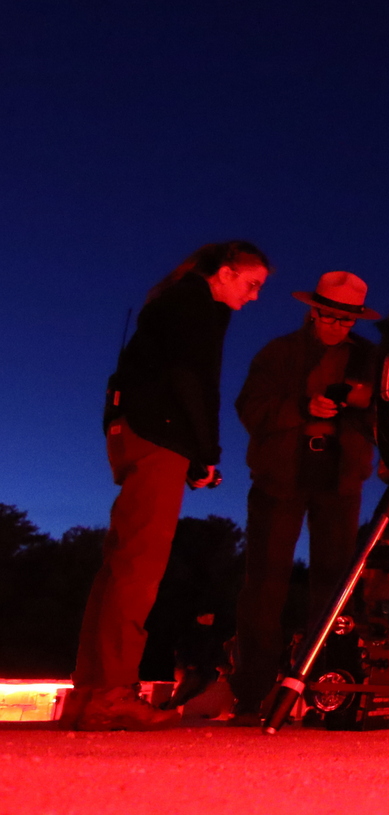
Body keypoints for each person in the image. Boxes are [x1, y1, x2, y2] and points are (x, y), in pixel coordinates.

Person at [63, 241, 270, 731]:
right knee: (139, 565)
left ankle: (90, 693)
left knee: (119, 563)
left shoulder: (172, 304)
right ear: (223, 273)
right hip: (159, 435)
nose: (255, 296)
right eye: (252, 283)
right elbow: (193, 381)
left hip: (134, 430)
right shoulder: (197, 307)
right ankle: (112, 693)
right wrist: (205, 453)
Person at [230, 271, 382, 726]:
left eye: (347, 319)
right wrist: (302, 407)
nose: (338, 326)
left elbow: (388, 415)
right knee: (265, 583)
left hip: (340, 479)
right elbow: (249, 409)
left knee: (335, 588)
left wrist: (361, 406)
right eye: (331, 316)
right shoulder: (279, 353)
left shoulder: (371, 360)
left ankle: (327, 693)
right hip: (281, 477)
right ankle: (252, 695)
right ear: (313, 310)